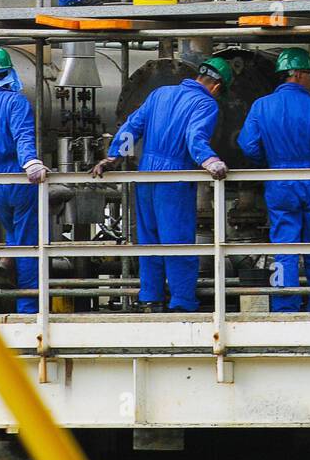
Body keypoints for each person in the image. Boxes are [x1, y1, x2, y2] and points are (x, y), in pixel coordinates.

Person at [93, 57, 231, 313]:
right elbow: (195, 137)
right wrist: (209, 160)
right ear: (217, 85)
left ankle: (150, 298)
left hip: (145, 176)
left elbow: (132, 127)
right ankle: (182, 302)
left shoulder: (160, 93)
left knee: (150, 240)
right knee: (177, 242)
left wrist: (113, 157)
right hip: (174, 178)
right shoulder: (206, 103)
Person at [237, 47, 310, 313]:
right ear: (296, 74)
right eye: (309, 74)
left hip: (279, 179)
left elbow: (248, 146)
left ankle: (286, 306)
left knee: (284, 244)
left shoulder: (261, 106)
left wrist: (269, 159)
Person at [0, 48, 48, 314]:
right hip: (18, 178)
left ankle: (6, 264)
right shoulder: (15, 102)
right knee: (28, 243)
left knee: (14, 234)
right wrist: (31, 162)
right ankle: (28, 306)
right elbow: (23, 136)